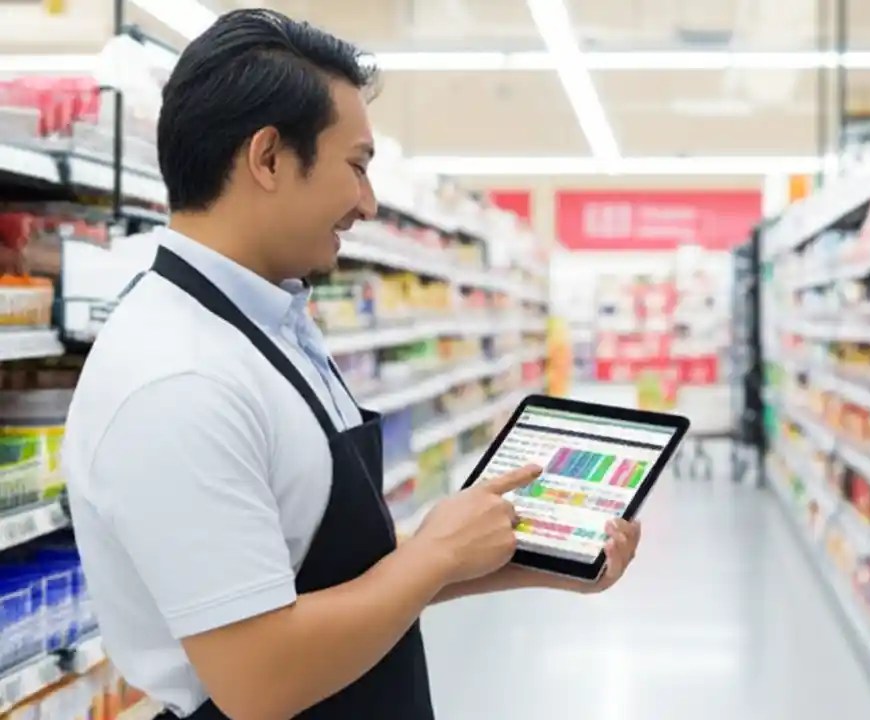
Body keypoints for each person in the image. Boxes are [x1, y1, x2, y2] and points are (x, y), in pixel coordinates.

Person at [63, 9, 642, 720]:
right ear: (269, 158)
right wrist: (432, 555)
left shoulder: (268, 330)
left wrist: (538, 559)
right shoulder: (178, 378)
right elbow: (259, 678)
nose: (367, 204)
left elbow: (335, 577)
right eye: (358, 168)